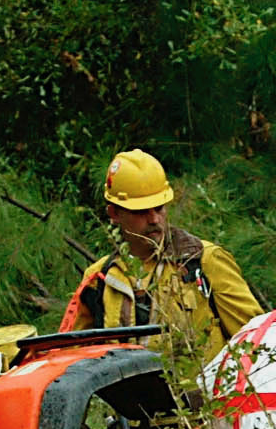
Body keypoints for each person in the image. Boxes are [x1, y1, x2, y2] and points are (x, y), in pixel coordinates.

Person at [60, 149, 264, 370]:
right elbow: (71, 361)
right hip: (131, 403)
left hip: (207, 402)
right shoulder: (99, 278)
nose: (154, 219)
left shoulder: (204, 260)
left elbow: (256, 344)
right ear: (114, 213)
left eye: (159, 208)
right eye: (141, 211)